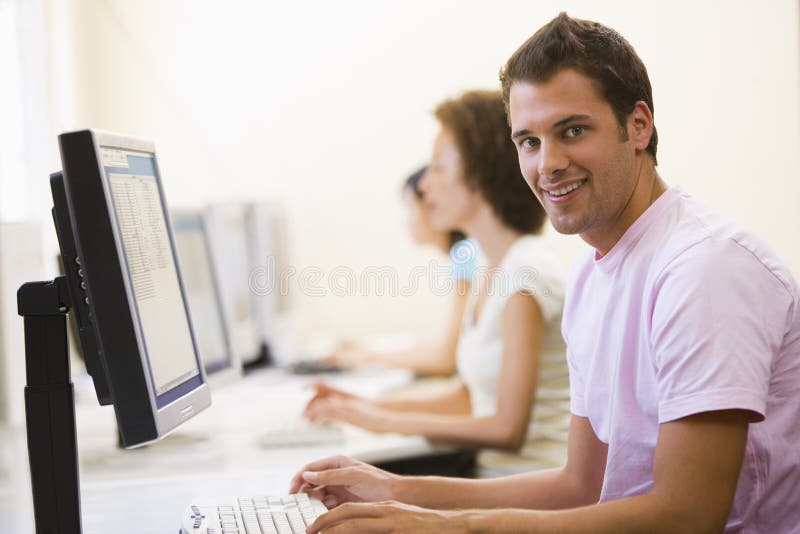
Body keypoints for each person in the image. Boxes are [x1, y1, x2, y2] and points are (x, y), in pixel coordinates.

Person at [289, 13, 800, 532]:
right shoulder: (590, 277)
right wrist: (399, 492)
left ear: (638, 125)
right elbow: (579, 486)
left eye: (572, 131)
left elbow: (688, 516)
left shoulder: (702, 268)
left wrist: (445, 525)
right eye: (529, 142)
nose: (548, 163)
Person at [306, 90, 569, 475]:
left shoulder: (526, 274)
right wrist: (359, 405)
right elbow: (469, 397)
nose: (426, 185)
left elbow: (507, 429)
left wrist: (384, 422)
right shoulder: (490, 268)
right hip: (494, 483)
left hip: (530, 493)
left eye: (439, 169)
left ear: (480, 175)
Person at [326, 165, 480, 377]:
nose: (406, 220)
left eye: (409, 207)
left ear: (432, 205)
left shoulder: (465, 255)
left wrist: (368, 357)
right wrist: (368, 350)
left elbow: (447, 358)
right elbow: (450, 346)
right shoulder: (467, 252)